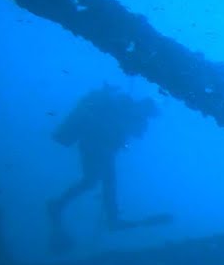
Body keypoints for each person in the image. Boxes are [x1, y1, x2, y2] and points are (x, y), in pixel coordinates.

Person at [47, 83, 169, 252]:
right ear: (145, 105)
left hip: (101, 148)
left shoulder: (133, 113)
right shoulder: (122, 103)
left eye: (149, 115)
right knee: (104, 182)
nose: (147, 117)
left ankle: (61, 205)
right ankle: (110, 219)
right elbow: (114, 123)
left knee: (94, 182)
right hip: (95, 146)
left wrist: (133, 123)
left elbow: (134, 133)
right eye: (148, 113)